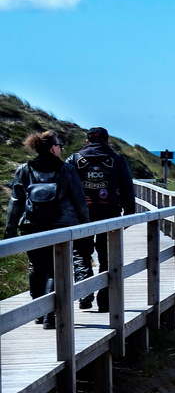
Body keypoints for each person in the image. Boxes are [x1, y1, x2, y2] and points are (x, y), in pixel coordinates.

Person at [4, 131, 90, 327]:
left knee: (36, 267)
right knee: (54, 269)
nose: (61, 148)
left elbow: (15, 201)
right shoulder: (67, 169)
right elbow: (80, 201)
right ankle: (49, 315)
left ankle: (37, 312)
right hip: (61, 226)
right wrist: (86, 226)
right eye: (59, 145)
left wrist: (10, 229)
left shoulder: (24, 169)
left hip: (31, 225)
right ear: (52, 148)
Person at [68, 127, 136, 312]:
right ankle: (104, 301)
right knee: (106, 257)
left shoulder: (74, 159)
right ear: (107, 141)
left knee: (81, 253)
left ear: (87, 141)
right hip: (109, 215)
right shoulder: (117, 160)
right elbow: (127, 188)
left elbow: (65, 187)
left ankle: (84, 294)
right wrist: (129, 214)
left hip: (81, 216)